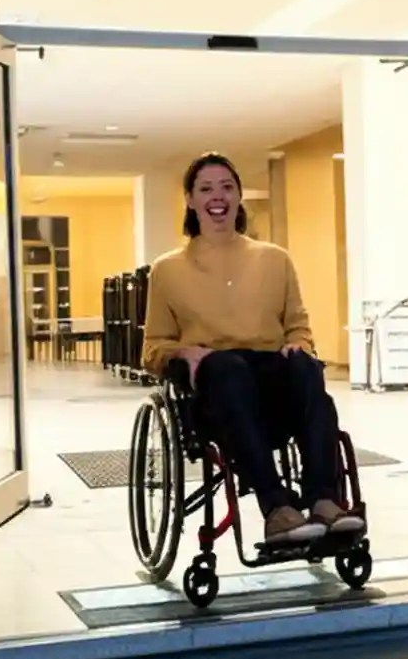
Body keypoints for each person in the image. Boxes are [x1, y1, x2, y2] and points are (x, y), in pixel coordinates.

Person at [141, 152, 365, 547]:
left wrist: (298, 345)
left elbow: (298, 327)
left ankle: (324, 500)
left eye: (227, 187)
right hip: (215, 388)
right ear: (190, 201)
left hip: (272, 380)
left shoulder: (275, 259)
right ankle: (277, 509)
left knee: (307, 369)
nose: (218, 196)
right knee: (228, 368)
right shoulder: (168, 269)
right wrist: (184, 353)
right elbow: (152, 348)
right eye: (206, 188)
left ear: (239, 196)